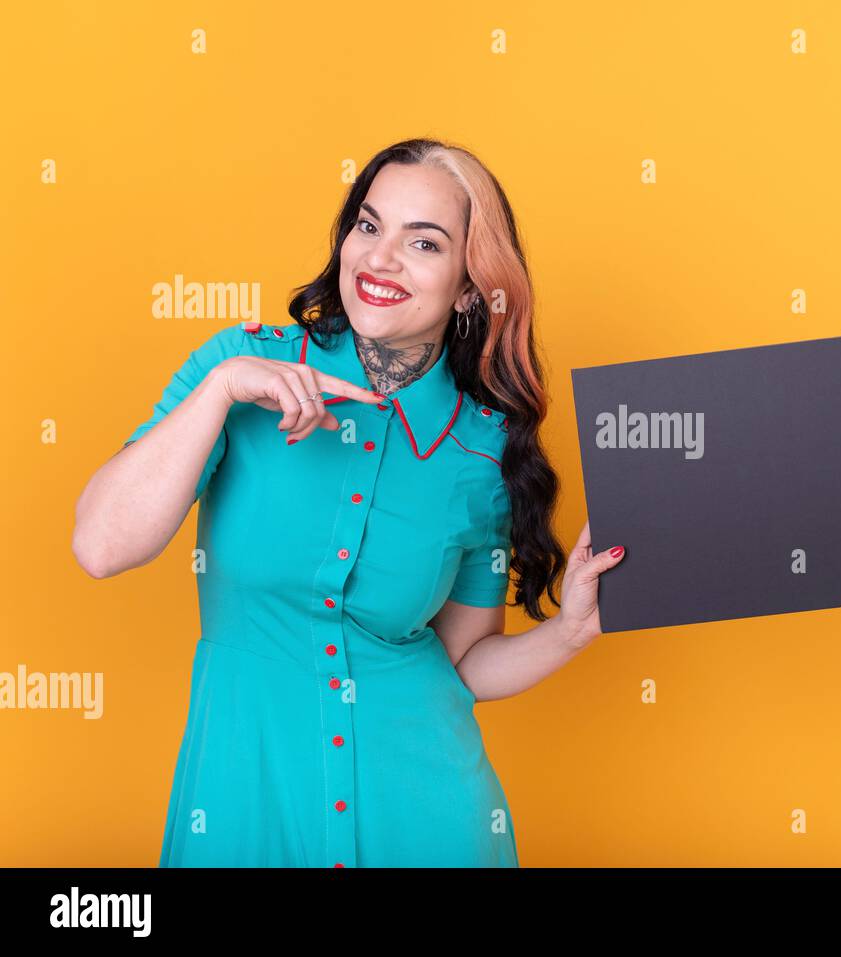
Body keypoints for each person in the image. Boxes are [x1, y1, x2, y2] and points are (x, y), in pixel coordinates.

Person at [71, 137, 625, 867]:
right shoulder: (241, 368)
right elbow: (101, 546)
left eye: (422, 242)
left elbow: (462, 661)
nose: (380, 258)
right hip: (245, 804)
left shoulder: (483, 450)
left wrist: (572, 632)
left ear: (469, 285)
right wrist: (221, 389)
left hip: (426, 820)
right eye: (369, 226)